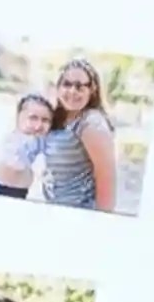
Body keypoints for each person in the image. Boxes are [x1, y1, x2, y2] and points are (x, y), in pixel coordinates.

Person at [41, 58, 117, 212]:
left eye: (80, 86)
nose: (72, 91)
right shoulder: (62, 117)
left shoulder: (91, 123)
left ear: (92, 89)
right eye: (66, 84)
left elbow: (107, 179)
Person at [0, 93, 53, 199]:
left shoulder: (42, 140)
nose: (39, 125)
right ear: (18, 118)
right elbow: (20, 163)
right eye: (33, 118)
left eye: (45, 120)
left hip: (20, 192)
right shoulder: (13, 139)